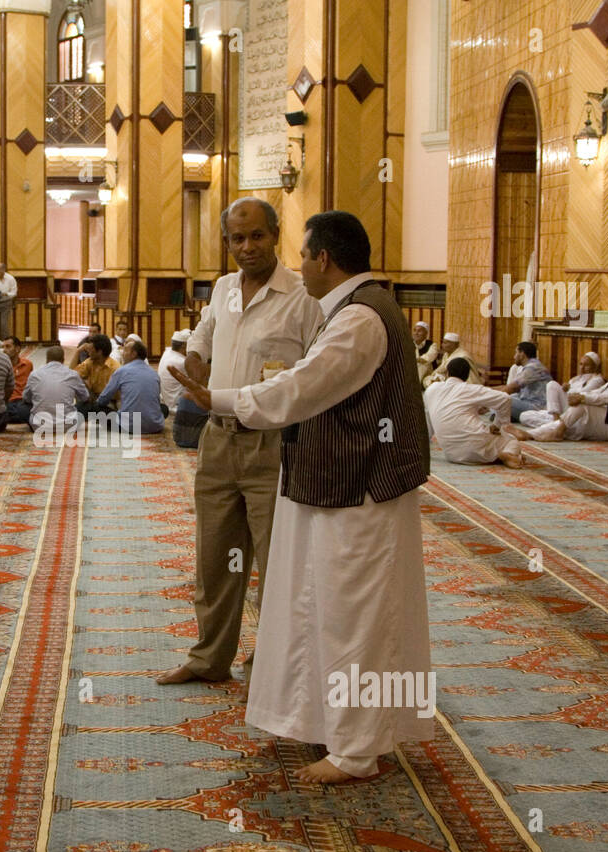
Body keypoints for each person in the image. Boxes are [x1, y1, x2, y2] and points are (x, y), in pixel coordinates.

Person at [170, 210, 432, 784]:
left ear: (322, 259)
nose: (298, 264)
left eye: (302, 254)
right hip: (344, 487)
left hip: (359, 492)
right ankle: (341, 727)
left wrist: (217, 399)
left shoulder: (358, 320)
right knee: (334, 610)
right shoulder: (356, 309)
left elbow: (300, 388)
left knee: (354, 620)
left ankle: (356, 750)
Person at [157, 197, 320, 691]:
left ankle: (267, 668)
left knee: (275, 566)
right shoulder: (225, 289)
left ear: (276, 235)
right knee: (215, 558)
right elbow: (203, 334)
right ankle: (209, 657)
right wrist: (199, 357)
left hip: (273, 446)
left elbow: (314, 372)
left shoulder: (302, 297)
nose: (247, 247)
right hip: (218, 441)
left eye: (257, 236)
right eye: (236, 239)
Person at [506, 353, 608, 443]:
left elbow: (607, 398)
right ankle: (532, 434)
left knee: (580, 409)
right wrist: (579, 396)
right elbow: (596, 393)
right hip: (598, 419)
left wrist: (581, 398)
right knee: (572, 426)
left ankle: (548, 432)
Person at [424, 357, 524, 468]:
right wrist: (499, 425)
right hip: (476, 448)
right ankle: (507, 454)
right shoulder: (469, 389)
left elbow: (428, 422)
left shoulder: (431, 390)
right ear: (467, 376)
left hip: (452, 454)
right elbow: (505, 399)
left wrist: (422, 447)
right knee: (511, 440)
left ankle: (500, 454)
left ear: (447, 373)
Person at [92, 339, 166, 433]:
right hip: (155, 426)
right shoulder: (154, 373)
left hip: (128, 427)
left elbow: (103, 399)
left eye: (125, 350)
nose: (122, 353)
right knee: (163, 409)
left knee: (95, 408)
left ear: (134, 354)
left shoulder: (121, 371)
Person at [517, 352, 606, 428]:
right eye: (581, 364)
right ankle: (557, 424)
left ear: (595, 367)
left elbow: (581, 396)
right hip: (561, 410)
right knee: (524, 416)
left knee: (551, 384)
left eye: (586, 365)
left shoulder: (597, 379)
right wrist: (564, 389)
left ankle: (556, 422)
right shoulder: (575, 379)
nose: (582, 368)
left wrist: (567, 390)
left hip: (574, 409)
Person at [24, 345, 88, 434]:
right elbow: (85, 397)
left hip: (39, 425)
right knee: (86, 405)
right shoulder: (72, 374)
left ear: (47, 360)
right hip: (68, 425)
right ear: (63, 360)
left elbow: (26, 398)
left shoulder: (35, 374)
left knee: (23, 406)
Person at [499, 341, 552, 421]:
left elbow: (511, 388)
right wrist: (487, 391)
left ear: (522, 354)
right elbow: (509, 387)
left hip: (536, 407)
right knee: (502, 399)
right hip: (527, 401)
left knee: (501, 400)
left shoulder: (533, 368)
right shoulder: (532, 365)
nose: (514, 356)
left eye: (516, 353)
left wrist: (489, 397)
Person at [74, 333, 120, 401]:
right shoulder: (90, 362)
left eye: (91, 349)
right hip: (94, 397)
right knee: (75, 380)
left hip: (109, 401)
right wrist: (77, 351)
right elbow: (70, 374)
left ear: (99, 352)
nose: (88, 351)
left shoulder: (115, 368)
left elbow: (116, 396)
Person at [157, 329, 191, 415]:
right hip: (175, 406)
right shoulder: (181, 362)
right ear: (184, 346)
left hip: (166, 401)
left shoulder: (167, 353)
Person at [2, 337, 35, 424]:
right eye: (3, 347)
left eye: (8, 347)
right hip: (7, 401)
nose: (4, 350)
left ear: (17, 349)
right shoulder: (1, 366)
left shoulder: (28, 364)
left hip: (23, 400)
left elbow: (32, 385)